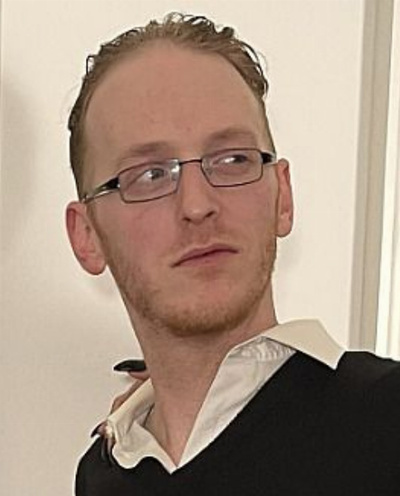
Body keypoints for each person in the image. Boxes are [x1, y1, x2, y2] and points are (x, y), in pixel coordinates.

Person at [66, 12, 400, 496]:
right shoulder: (102, 475)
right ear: (86, 235)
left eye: (233, 160)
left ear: (283, 196)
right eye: (150, 175)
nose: (197, 205)